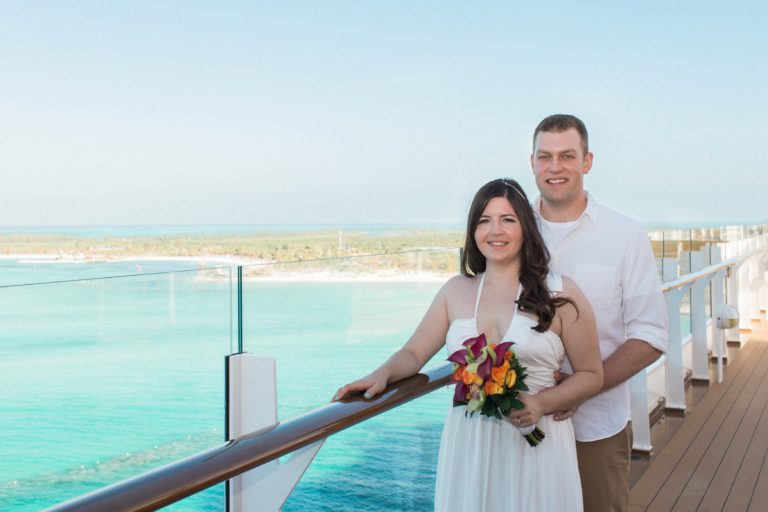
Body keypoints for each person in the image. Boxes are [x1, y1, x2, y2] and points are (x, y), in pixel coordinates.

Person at [333, 178, 603, 511]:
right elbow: (414, 352)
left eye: (508, 220)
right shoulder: (455, 291)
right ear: (473, 231)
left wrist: (541, 404)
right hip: (470, 444)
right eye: (484, 221)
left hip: (537, 443)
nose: (496, 231)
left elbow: (591, 373)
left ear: (526, 228)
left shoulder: (561, 292)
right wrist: (381, 375)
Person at [530, 114, 668, 512]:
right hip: (519, 427)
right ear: (533, 161)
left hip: (595, 429)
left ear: (587, 161)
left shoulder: (625, 235)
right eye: (545, 157)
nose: (555, 168)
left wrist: (578, 388)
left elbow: (651, 335)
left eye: (567, 156)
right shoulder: (512, 231)